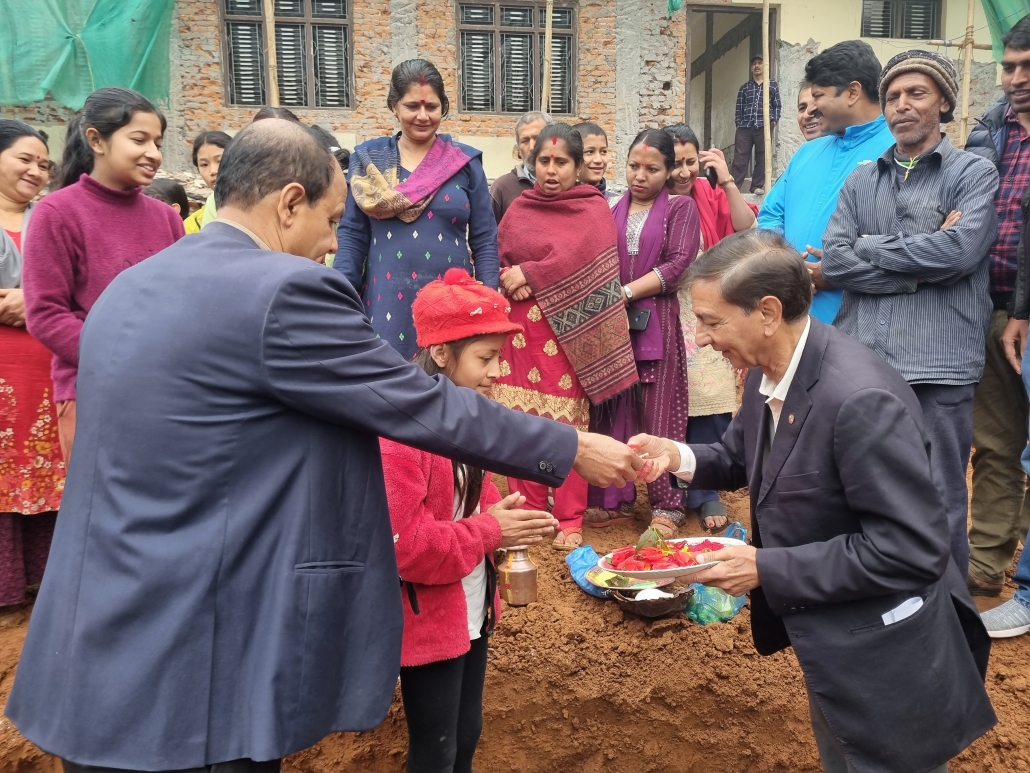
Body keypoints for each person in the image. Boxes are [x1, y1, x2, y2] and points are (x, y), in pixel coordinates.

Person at [5, 117, 642, 773]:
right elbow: (417, 401)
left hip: (93, 640)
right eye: (333, 219)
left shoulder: (128, 288)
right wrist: (570, 446)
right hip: (196, 655)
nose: (335, 243)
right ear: (289, 203)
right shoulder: (285, 291)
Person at [631, 229, 996, 773]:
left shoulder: (859, 400)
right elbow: (739, 456)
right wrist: (674, 455)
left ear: (767, 312)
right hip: (836, 639)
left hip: (888, 653)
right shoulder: (770, 372)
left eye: (711, 321)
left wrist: (766, 567)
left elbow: (910, 550)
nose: (701, 339)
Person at [822, 51, 998, 577]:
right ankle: (882, 608)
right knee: (862, 491)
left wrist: (869, 245)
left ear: (943, 102)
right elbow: (834, 259)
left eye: (916, 94)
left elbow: (960, 252)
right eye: (893, 96)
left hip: (938, 365)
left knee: (939, 496)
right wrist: (917, 268)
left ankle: (948, 613)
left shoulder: (973, 173)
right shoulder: (860, 180)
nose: (902, 105)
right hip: (862, 365)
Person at [385, 268, 560, 773]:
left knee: (466, 733)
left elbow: (468, 500)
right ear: (441, 354)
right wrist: (491, 530)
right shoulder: (400, 435)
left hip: (470, 604)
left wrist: (500, 517)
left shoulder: (466, 418)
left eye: (498, 357)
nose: (496, 371)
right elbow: (407, 545)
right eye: (485, 358)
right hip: (426, 615)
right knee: (436, 748)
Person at [494, 123, 638, 550]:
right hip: (521, 331)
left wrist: (531, 274)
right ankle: (530, 513)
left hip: (569, 334)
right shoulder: (520, 207)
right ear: (532, 162)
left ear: (577, 166)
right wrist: (509, 276)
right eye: (544, 161)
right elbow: (501, 255)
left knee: (568, 424)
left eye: (561, 162)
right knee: (521, 420)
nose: (551, 170)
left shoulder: (592, 209)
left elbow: (583, 259)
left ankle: (569, 518)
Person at [21, 87, 185, 463]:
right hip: (92, 389)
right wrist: (122, 357)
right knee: (100, 494)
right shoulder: (57, 213)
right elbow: (45, 314)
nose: (154, 153)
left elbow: (184, 305)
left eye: (158, 143)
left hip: (165, 391)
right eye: (139, 140)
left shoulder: (166, 218)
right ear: (96, 140)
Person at [335, 59, 499, 360]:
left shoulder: (463, 162)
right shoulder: (369, 161)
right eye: (412, 106)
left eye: (432, 107)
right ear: (394, 106)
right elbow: (352, 236)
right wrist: (339, 298)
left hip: (452, 300)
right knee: (388, 378)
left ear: (443, 107)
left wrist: (489, 297)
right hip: (385, 299)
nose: (423, 116)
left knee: (448, 378)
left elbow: (485, 238)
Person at [588, 129, 700, 538]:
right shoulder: (611, 207)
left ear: (668, 171)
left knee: (659, 411)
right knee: (612, 405)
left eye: (652, 169)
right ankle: (613, 498)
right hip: (613, 325)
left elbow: (678, 265)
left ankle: (668, 505)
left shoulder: (681, 208)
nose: (640, 175)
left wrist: (627, 292)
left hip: (658, 322)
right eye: (634, 166)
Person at [963, 15, 1030, 598]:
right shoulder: (990, 130)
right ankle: (986, 560)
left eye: (1028, 68)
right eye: (1009, 67)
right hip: (994, 308)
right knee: (996, 443)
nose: (1016, 79)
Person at [758, 40, 895, 324]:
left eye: (819, 96)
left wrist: (839, 270)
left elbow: (907, 242)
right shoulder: (807, 152)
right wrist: (785, 264)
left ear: (853, 92)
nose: (813, 109)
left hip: (860, 322)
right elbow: (771, 214)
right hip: (792, 315)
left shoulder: (898, 151)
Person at [664, 122, 756, 531]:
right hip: (667, 309)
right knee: (669, 402)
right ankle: (669, 489)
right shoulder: (651, 198)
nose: (684, 171)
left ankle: (706, 490)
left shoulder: (707, 191)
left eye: (691, 162)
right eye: (675, 163)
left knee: (711, 398)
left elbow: (744, 224)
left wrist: (727, 179)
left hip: (706, 308)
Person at [0, 120, 63, 610]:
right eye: (24, 159)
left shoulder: (50, 219)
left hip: (46, 374)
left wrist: (33, 299)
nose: (36, 171)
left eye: (43, 164)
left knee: (48, 467)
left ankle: (44, 580)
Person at [730, 55, 781, 195]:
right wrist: (738, 123)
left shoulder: (772, 85)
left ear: (765, 66)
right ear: (751, 68)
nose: (757, 66)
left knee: (762, 157)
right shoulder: (745, 88)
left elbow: (777, 105)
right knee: (740, 158)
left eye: (760, 63)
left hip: (763, 126)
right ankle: (734, 188)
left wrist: (774, 120)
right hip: (745, 127)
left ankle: (756, 186)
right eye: (754, 64)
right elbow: (739, 108)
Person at [490, 110, 552, 222]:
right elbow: (488, 231)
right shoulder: (502, 188)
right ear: (518, 148)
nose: (532, 147)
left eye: (537, 138)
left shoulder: (568, 184)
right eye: (525, 141)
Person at [184, 130, 231, 233]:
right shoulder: (212, 203)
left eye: (220, 161)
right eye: (204, 165)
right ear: (198, 170)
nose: (213, 171)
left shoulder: (259, 194)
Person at [571, 122, 612, 197]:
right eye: (590, 152)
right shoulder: (558, 200)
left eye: (603, 152)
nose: (598, 160)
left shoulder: (616, 202)